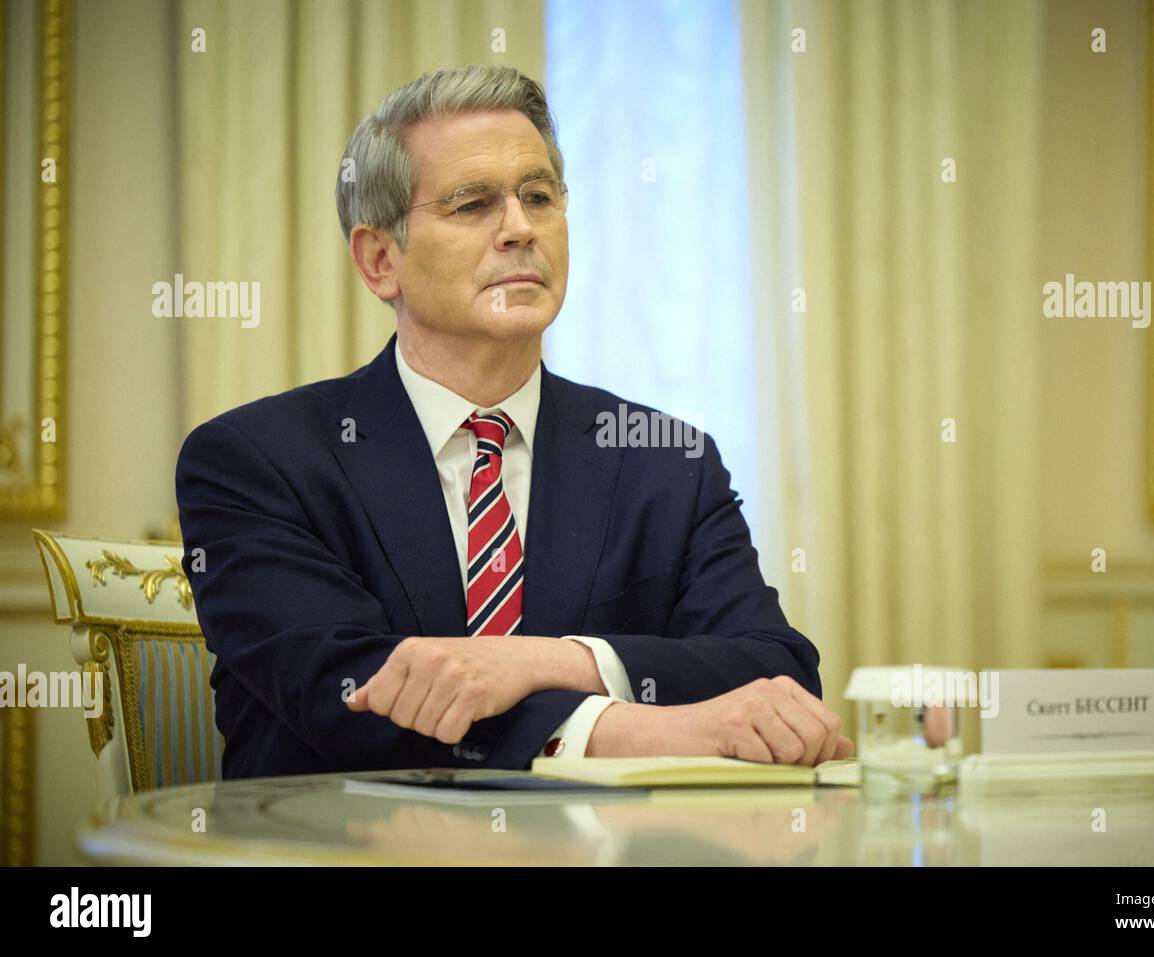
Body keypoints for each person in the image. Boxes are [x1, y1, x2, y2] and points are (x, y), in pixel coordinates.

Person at [175, 64, 852, 778]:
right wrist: (642, 729)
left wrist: (538, 660)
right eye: (472, 205)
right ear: (380, 260)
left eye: (539, 196)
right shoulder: (255, 460)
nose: (520, 228)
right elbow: (364, 701)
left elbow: (775, 670)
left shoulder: (666, 461)